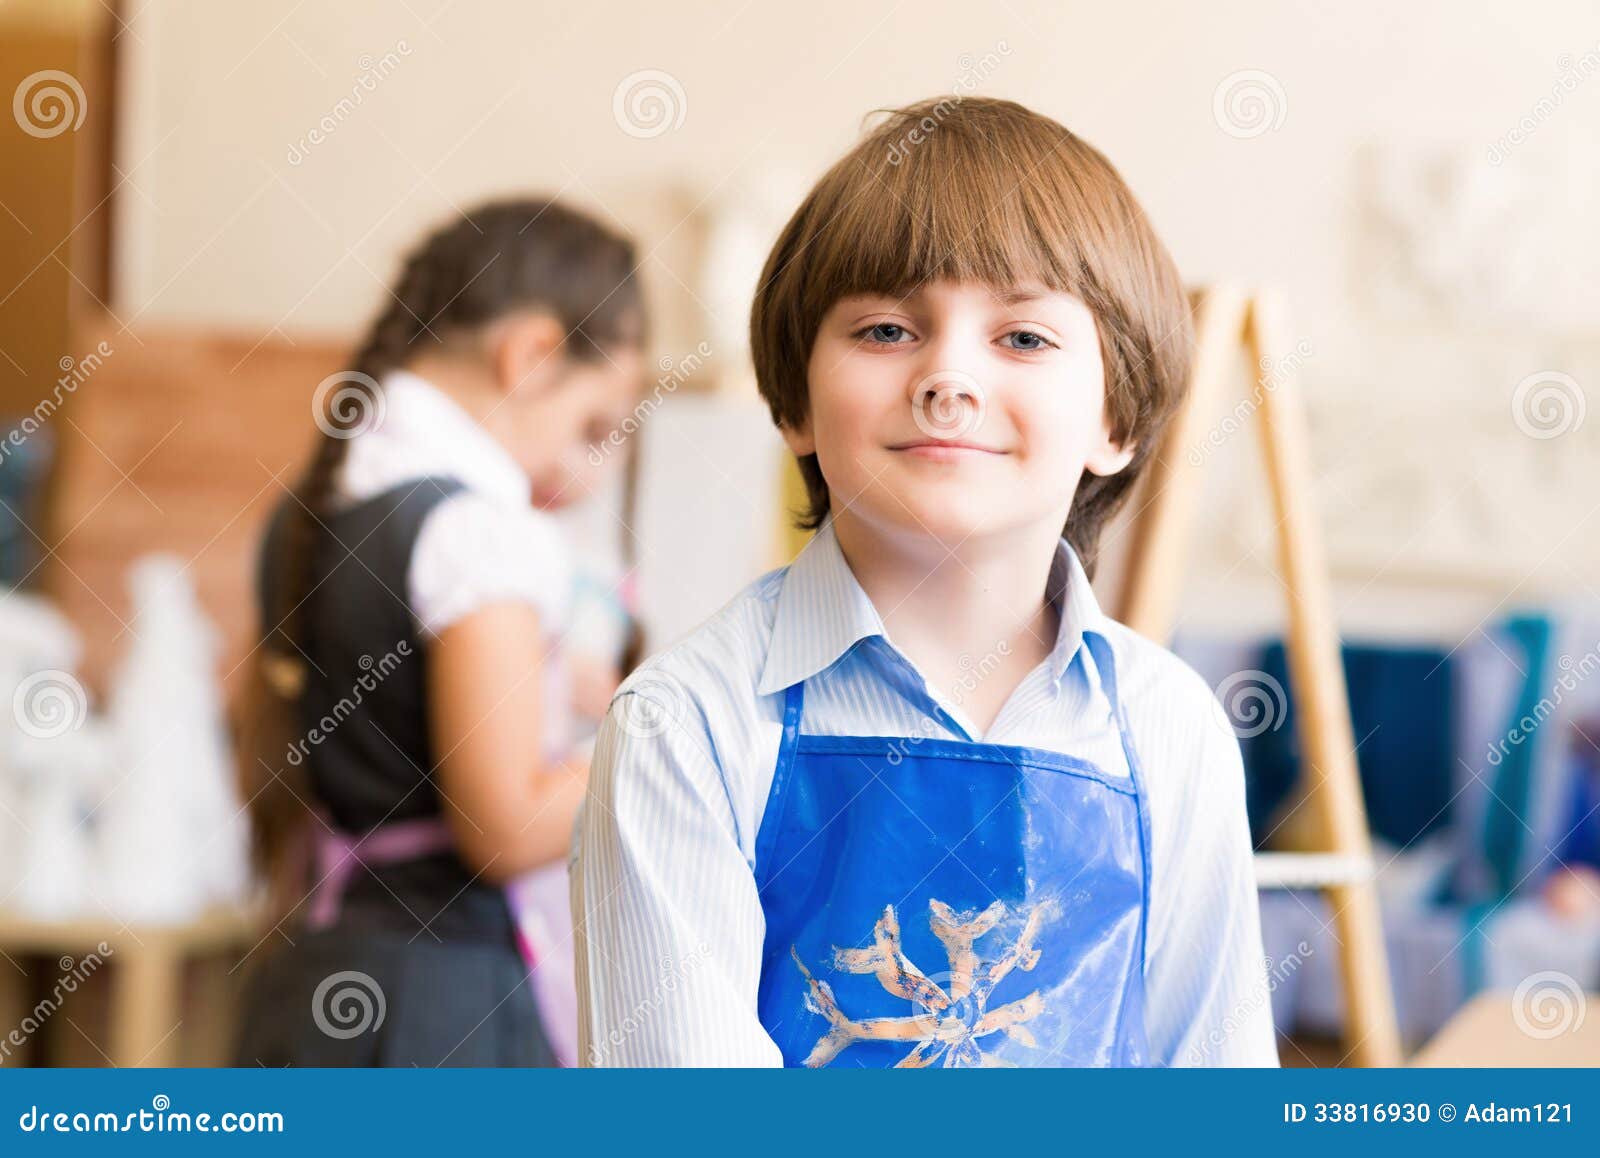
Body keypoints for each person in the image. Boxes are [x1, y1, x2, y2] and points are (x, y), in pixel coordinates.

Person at [573, 97, 1277, 1067]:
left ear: (1114, 418)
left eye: (1022, 338)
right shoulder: (685, 724)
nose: (949, 380)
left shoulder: (1170, 726)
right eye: (885, 330)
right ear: (796, 402)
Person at [235, 197, 644, 1066]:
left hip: (313, 975)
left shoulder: (304, 516)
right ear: (532, 355)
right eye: (592, 427)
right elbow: (505, 829)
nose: (583, 472)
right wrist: (655, 736)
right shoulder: (481, 533)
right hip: (442, 1009)